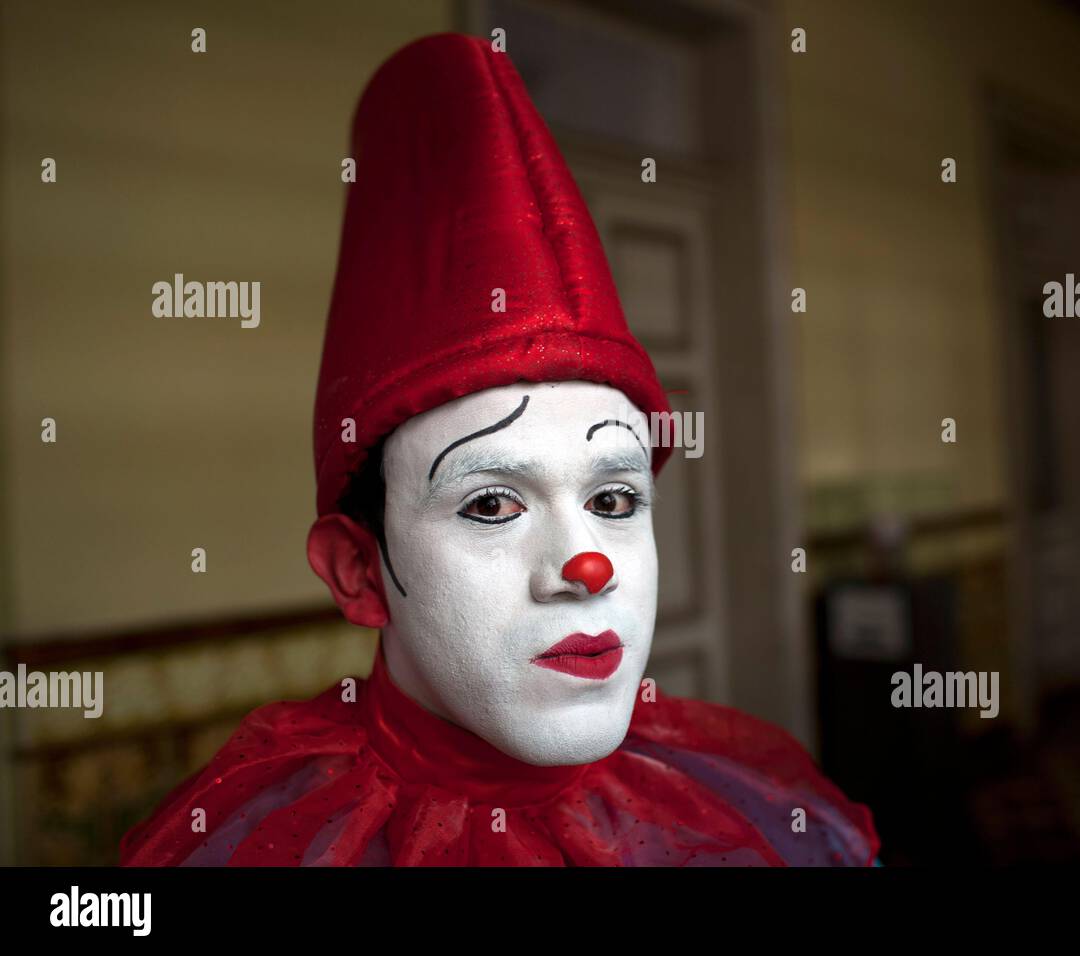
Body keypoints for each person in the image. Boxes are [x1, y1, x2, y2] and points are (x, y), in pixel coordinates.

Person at [119, 33, 880, 867]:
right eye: (491, 503)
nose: (589, 567)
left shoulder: (762, 830)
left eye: (615, 500)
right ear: (359, 570)